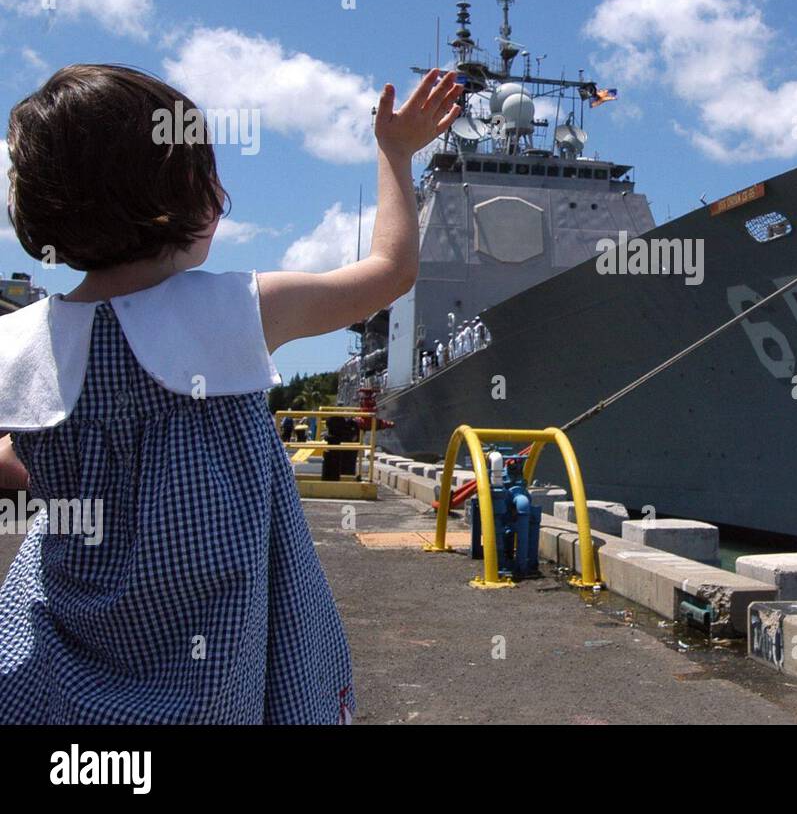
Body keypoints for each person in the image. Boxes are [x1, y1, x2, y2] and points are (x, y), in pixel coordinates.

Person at [0, 62, 461, 723]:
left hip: (64, 660)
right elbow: (390, 272)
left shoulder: (19, 345)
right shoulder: (234, 312)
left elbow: (28, 460)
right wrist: (395, 152)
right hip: (214, 667)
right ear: (184, 198)